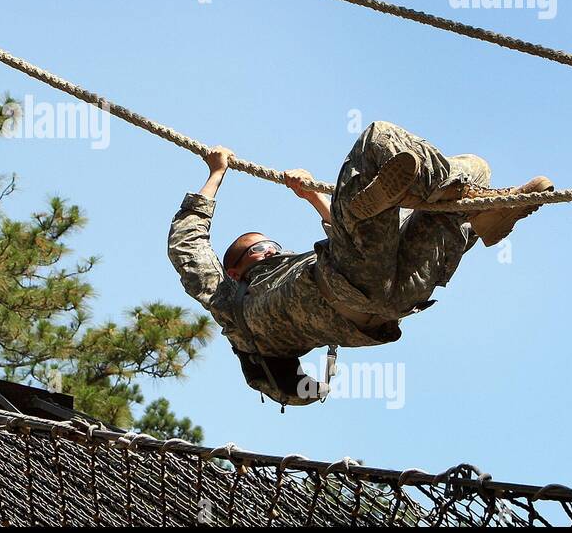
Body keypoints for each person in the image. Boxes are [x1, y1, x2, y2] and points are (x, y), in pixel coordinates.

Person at [167, 121, 552, 407]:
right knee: (375, 138)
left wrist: (313, 197)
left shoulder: (294, 268)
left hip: (395, 293)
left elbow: (352, 242)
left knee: (475, 165)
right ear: (234, 271)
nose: (268, 250)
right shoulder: (231, 303)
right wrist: (215, 173)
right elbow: (187, 247)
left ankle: (471, 209)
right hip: (347, 289)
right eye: (255, 250)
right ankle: (448, 198)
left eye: (269, 243)